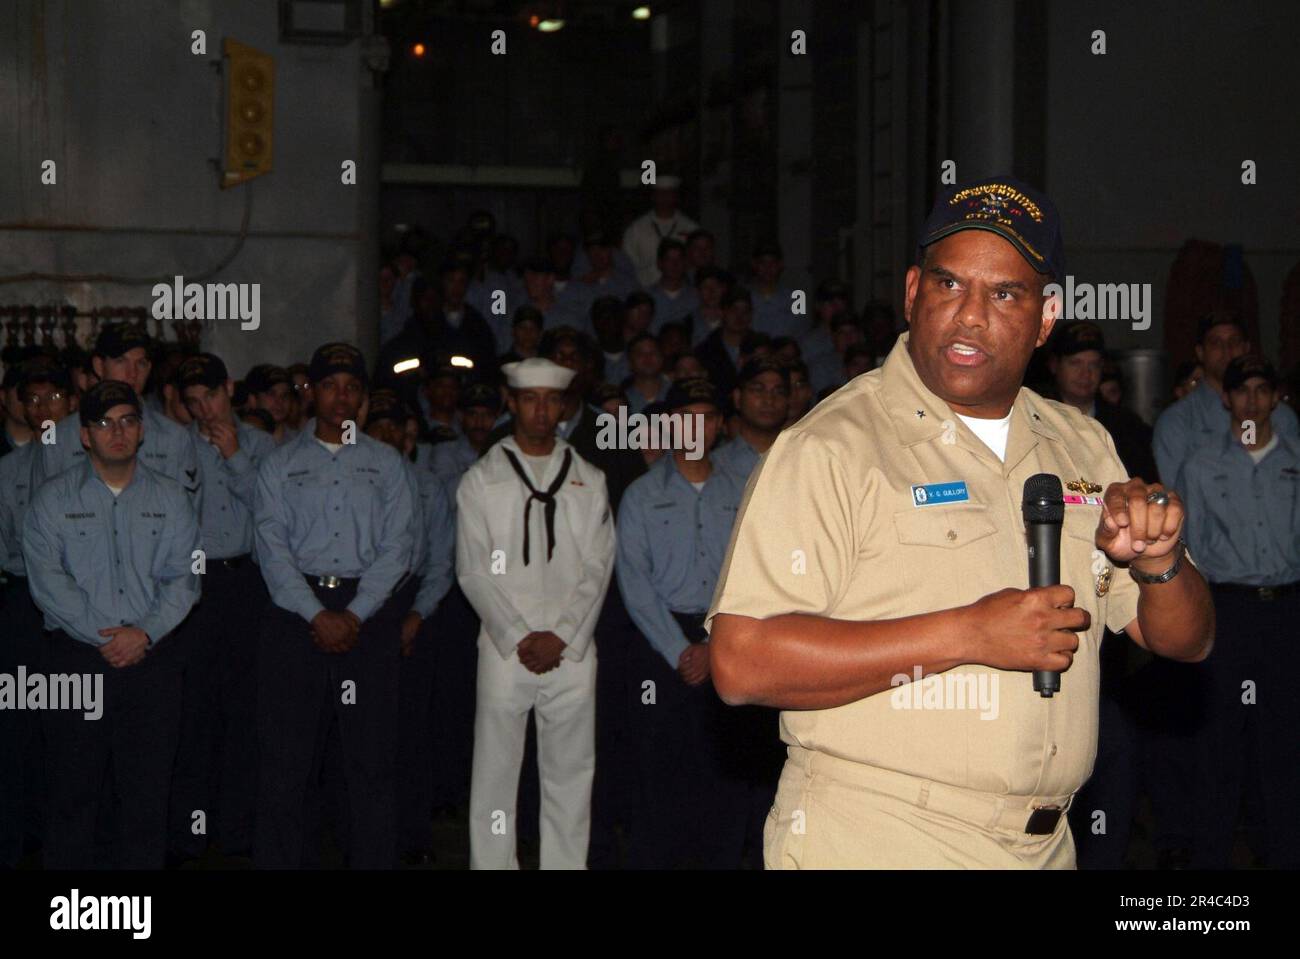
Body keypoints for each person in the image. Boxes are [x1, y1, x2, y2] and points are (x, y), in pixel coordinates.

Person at [707, 176, 1214, 869]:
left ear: (1045, 319)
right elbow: (740, 660)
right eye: (949, 286)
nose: (969, 315)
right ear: (914, 292)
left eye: (1004, 293)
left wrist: (1161, 559)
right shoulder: (832, 446)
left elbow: (1182, 640)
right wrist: (968, 633)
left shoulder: (1082, 445)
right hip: (878, 837)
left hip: (1044, 845)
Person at [22, 380, 201, 868]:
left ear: (141, 430)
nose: (116, 432)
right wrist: (110, 635)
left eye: (127, 420)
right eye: (103, 423)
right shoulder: (51, 502)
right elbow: (47, 583)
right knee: (72, 796)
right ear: (85, 437)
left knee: (146, 799)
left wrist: (141, 633)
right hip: (78, 662)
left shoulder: (172, 499)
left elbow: (188, 574)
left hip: (152, 661)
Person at [252, 342, 415, 869]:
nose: (341, 397)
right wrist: (316, 613)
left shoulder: (387, 464)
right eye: (329, 385)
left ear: (363, 398)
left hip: (367, 614)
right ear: (311, 393)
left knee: (370, 764)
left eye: (351, 387)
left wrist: (355, 612)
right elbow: (270, 548)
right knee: (287, 764)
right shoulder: (279, 465)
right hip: (297, 615)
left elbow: (399, 547)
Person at [455, 357, 615, 869]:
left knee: (571, 776)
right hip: (506, 650)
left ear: (564, 405)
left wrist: (563, 636)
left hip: (570, 650)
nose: (541, 410)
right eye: (529, 399)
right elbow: (473, 569)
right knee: (495, 776)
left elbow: (599, 564)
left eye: (551, 399)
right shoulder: (481, 479)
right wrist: (521, 635)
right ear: (512, 402)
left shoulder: (589, 478)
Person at [615, 378, 751, 867]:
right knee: (660, 770)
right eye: (686, 417)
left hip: (729, 639)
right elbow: (635, 582)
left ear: (719, 425)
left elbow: (755, 570)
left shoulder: (745, 490)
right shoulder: (640, 495)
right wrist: (680, 650)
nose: (698, 427)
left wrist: (714, 645)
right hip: (660, 645)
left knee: (725, 771)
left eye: (707, 417)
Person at [1179, 355, 1300, 868]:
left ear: (1276, 398)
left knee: (1284, 741)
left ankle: (1284, 854)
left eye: (1261, 390)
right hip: (1227, 612)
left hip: (1286, 612)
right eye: (1241, 390)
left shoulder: (1295, 458)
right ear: (1225, 399)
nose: (1252, 400)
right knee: (1220, 743)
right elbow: (1189, 547)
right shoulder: (1202, 463)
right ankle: (1210, 864)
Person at [168, 353, 276, 862]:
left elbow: (275, 516)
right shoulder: (174, 447)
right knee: (195, 715)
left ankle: (238, 833)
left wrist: (235, 457)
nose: (204, 409)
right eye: (192, 402)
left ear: (228, 390)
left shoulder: (260, 445)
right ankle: (193, 832)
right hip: (193, 587)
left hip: (244, 584)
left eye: (210, 396)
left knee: (244, 715)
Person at [361, 390, 455, 866]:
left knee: (411, 729)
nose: (388, 437)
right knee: (362, 729)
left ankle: (413, 836)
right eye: (378, 428)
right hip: (359, 606)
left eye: (395, 429)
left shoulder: (427, 485)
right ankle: (361, 836)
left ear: (408, 436)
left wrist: (417, 614)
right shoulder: (352, 479)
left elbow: (441, 560)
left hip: (411, 604)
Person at [0, 362, 75, 866]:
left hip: (80, 611)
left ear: (71, 403)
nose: (43, 408)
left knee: (71, 728)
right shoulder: (8, 470)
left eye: (53, 398)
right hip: (22, 605)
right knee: (16, 728)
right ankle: (13, 841)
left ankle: (66, 845)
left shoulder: (94, 461)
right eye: (34, 399)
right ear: (21, 405)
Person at [41, 324, 201, 504]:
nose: (132, 373)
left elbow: (186, 513)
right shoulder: (58, 436)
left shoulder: (174, 438)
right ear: (99, 366)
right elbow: (46, 507)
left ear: (149, 368)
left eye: (140, 363)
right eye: (121, 361)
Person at [1154, 313, 1299, 492]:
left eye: (1234, 342)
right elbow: (1177, 498)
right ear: (1200, 352)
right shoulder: (1177, 421)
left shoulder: (1281, 416)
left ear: (1246, 348)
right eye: (1216, 343)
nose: (1226, 350)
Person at [1046, 321, 1158, 483]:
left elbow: (1145, 482)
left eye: (1094, 364)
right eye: (1075, 363)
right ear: (1054, 365)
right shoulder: (1037, 418)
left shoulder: (1127, 426)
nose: (1086, 373)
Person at [713, 358, 790, 480]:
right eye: (758, 390)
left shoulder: (801, 457)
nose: (769, 400)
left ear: (788, 401)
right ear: (738, 398)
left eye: (779, 392)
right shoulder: (716, 465)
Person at [622, 175, 700, 287]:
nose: (665, 197)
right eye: (660, 194)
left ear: (676, 197)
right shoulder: (636, 229)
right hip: (645, 289)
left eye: (669, 193)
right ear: (653, 197)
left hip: (682, 289)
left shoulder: (690, 228)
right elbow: (627, 264)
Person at [431, 382, 502, 485]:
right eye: (473, 414)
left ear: (497, 418)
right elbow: (447, 494)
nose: (479, 422)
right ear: (461, 417)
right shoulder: (445, 452)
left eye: (487, 415)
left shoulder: (505, 451)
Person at [696, 287, 756, 395]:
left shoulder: (760, 348)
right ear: (721, 312)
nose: (740, 316)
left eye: (745, 311)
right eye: (734, 310)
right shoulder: (704, 351)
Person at [749, 241, 807, 340]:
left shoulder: (797, 298)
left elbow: (802, 333)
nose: (768, 268)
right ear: (754, 265)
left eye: (773, 263)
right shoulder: (744, 296)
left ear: (780, 265)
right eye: (763, 263)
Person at [648, 239, 700, 334]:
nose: (675, 264)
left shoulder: (696, 296)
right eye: (669, 259)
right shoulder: (647, 296)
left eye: (679, 259)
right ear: (659, 263)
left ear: (685, 263)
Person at [245, 364, 298, 447]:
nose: (279, 401)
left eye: (285, 395)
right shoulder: (240, 442)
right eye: (271, 394)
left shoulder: (298, 442)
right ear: (253, 400)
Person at [623, 333, 671, 414]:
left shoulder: (676, 393)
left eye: (653, 352)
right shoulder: (622, 400)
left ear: (662, 358)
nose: (648, 358)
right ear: (630, 362)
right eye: (640, 354)